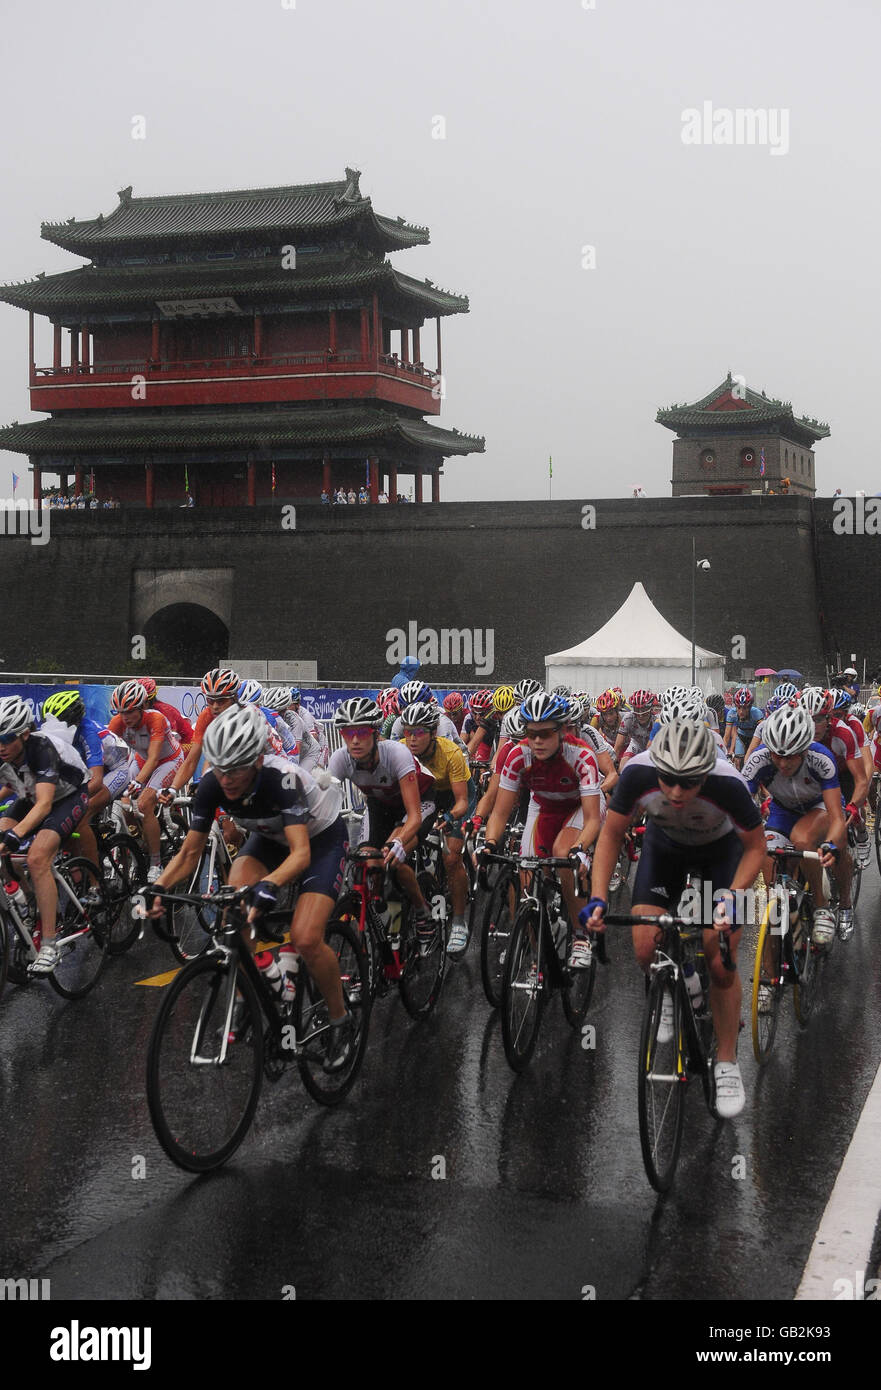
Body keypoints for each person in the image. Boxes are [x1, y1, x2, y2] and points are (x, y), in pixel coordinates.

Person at [583, 719, 766, 1119]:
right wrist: (597, 897)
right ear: (656, 767)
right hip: (664, 848)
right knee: (645, 945)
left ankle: (726, 1062)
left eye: (690, 782)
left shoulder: (729, 783)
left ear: (707, 771)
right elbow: (611, 835)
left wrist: (734, 898)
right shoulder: (636, 774)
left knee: (719, 961)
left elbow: (756, 848)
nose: (677, 791)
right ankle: (672, 985)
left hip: (722, 854)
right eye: (669, 779)